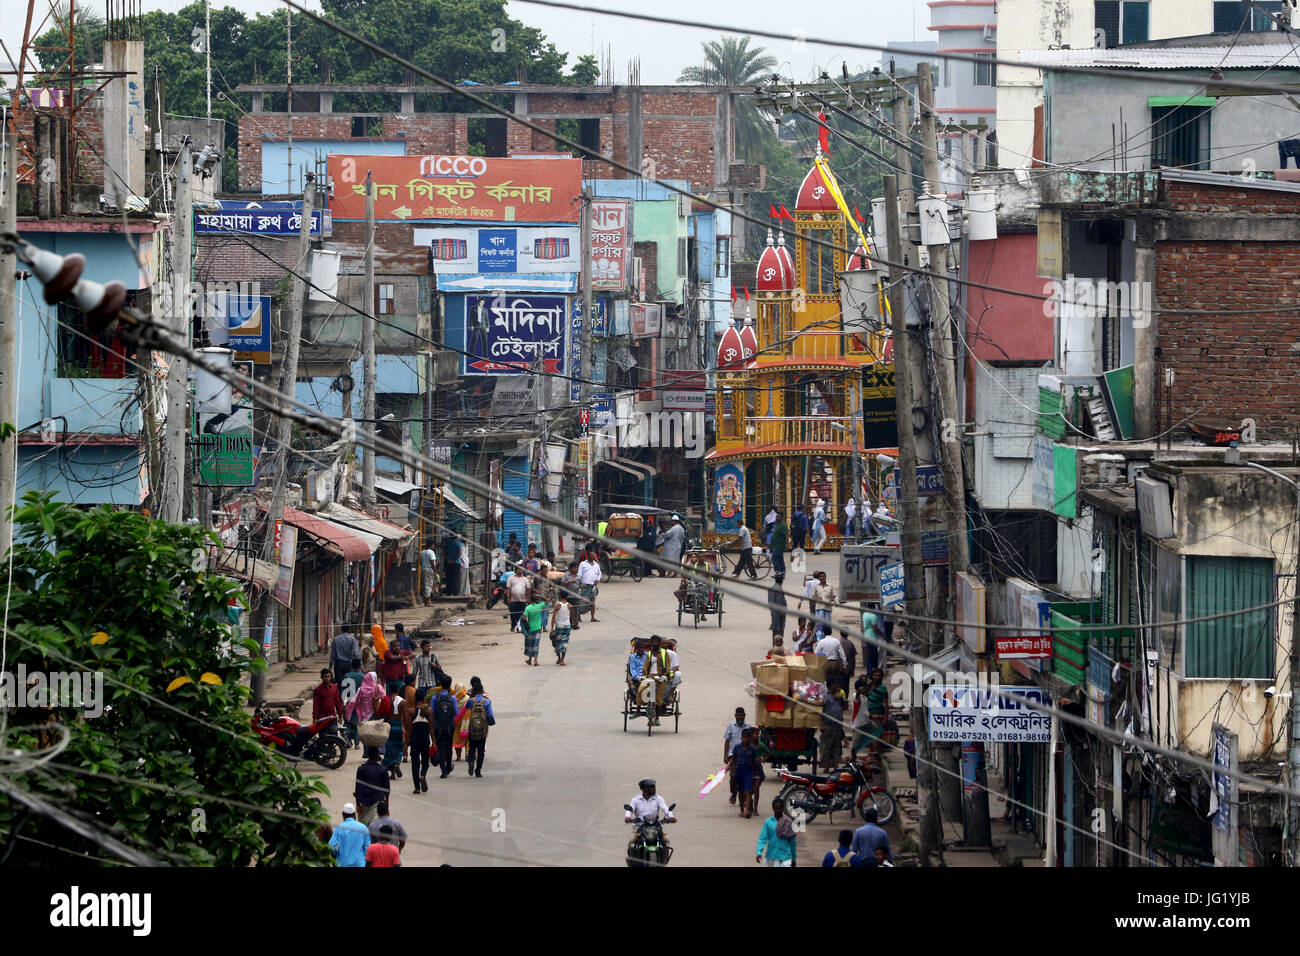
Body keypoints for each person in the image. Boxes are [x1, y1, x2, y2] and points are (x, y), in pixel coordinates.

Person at [624, 778, 676, 861]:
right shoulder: (636, 800)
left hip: (655, 826)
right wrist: (627, 817)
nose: (654, 788)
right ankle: (631, 861)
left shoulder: (658, 799)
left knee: (666, 841)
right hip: (640, 827)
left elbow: (666, 809)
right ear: (644, 789)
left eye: (654, 786)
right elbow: (629, 810)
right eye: (651, 787)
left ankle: (663, 860)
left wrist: (671, 817)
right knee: (632, 843)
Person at [460, 675, 495, 778]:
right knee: (480, 751)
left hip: (472, 728)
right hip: (482, 729)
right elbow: (490, 715)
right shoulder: (486, 701)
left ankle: (471, 761)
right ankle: (478, 770)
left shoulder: (471, 700)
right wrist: (490, 722)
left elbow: (466, 707)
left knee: (471, 748)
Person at [723, 707, 755, 806]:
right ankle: (734, 793)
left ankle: (745, 796)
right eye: (738, 715)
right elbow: (727, 741)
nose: (740, 717)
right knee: (733, 777)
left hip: (746, 756)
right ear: (735, 716)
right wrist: (725, 755)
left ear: (744, 715)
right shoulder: (731, 726)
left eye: (742, 715)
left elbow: (752, 741)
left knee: (745, 777)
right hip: (733, 756)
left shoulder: (748, 726)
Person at [728, 726, 761, 818]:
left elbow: (755, 763)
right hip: (739, 771)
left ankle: (748, 811)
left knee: (748, 792)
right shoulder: (737, 747)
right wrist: (732, 771)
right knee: (741, 792)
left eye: (747, 738)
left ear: (750, 739)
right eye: (743, 737)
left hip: (749, 772)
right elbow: (733, 760)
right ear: (741, 737)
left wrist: (755, 773)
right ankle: (742, 810)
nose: (745, 739)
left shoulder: (753, 749)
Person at [639, 634, 673, 724]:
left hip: (661, 677)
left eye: (656, 642)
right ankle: (640, 709)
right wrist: (643, 673)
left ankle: (657, 718)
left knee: (659, 697)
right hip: (650, 676)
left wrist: (664, 674)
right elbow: (645, 664)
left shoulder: (664, 653)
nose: (654, 644)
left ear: (659, 643)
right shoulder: (649, 654)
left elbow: (668, 664)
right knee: (641, 690)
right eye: (653, 642)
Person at [755, 797, 798, 867]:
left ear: (783, 808)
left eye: (780, 808)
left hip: (785, 857)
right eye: (776, 809)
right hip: (772, 856)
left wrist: (793, 858)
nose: (778, 811)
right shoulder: (768, 822)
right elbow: (762, 839)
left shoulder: (788, 822)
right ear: (773, 809)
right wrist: (759, 852)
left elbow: (792, 841)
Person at [430, 674, 458, 778]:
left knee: (441, 747)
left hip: (438, 726)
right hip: (449, 726)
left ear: (440, 685)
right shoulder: (453, 698)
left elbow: (432, 712)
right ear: (450, 685)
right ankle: (448, 766)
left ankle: (443, 771)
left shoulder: (434, 698)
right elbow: (456, 712)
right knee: (449, 747)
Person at [405, 688, 432, 793]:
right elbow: (431, 728)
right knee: (425, 762)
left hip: (414, 741)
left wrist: (406, 745)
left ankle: (417, 787)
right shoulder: (428, 711)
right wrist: (434, 742)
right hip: (425, 740)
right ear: (424, 698)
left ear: (415, 699)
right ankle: (423, 775)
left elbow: (408, 730)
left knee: (415, 764)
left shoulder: (411, 711)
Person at [376, 679, 405, 779]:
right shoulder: (402, 701)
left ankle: (391, 772)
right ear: (398, 689)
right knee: (399, 748)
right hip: (399, 725)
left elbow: (379, 713)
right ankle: (396, 763)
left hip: (389, 725)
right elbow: (404, 717)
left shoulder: (385, 699)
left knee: (389, 749)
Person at [353, 749, 389, 825]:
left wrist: (358, 804)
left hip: (363, 804)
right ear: (378, 756)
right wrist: (386, 806)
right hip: (377, 803)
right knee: (375, 828)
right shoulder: (382, 769)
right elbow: (387, 790)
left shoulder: (361, 769)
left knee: (364, 829)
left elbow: (358, 788)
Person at [328, 803, 371, 868]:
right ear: (354, 815)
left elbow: (332, 846)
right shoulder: (363, 828)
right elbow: (367, 849)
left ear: (343, 815)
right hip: (359, 864)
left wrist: (335, 857)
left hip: (342, 864)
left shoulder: (338, 828)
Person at [340, 658, 366, 748]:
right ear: (360, 666)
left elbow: (344, 692)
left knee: (347, 722)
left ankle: (348, 740)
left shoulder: (346, 676)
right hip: (359, 704)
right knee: (358, 723)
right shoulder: (363, 677)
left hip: (348, 703)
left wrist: (343, 703)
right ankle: (357, 744)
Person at [820, 684, 845, 768]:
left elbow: (844, 707)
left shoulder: (839, 698)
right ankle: (825, 764)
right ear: (830, 688)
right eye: (836, 687)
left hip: (837, 725)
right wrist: (821, 724)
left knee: (837, 745)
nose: (838, 689)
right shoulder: (826, 697)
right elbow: (821, 711)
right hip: (828, 725)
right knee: (826, 745)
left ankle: (835, 764)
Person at [522, 592, 547, 666]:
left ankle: (530, 660)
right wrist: (540, 596)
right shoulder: (540, 606)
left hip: (530, 628)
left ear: (530, 600)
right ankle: (535, 661)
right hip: (538, 628)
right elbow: (546, 600)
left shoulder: (528, 608)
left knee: (530, 644)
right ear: (537, 600)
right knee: (536, 644)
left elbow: (524, 618)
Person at [578, 551, 602, 622]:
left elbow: (599, 574)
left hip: (593, 586)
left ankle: (592, 617)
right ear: (587, 556)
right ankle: (578, 617)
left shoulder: (596, 564)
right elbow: (579, 575)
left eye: (593, 555)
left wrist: (597, 580)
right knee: (581, 601)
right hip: (584, 586)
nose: (592, 556)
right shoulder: (583, 564)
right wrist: (579, 584)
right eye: (591, 555)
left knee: (593, 601)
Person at [861, 602, 885, 674]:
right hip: (872, 638)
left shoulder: (865, 614)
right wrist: (882, 635)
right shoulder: (873, 616)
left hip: (867, 636)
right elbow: (875, 628)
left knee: (871, 655)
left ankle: (870, 671)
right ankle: (873, 672)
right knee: (874, 656)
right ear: (874, 607)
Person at [506, 565, 531, 633]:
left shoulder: (525, 579)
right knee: (513, 614)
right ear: (516, 570)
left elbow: (528, 588)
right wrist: (508, 598)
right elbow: (508, 588)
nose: (521, 571)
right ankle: (513, 625)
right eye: (520, 569)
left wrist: (527, 597)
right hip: (513, 600)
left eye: (522, 569)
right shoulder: (511, 578)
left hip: (522, 600)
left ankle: (519, 627)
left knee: (522, 614)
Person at [550, 590, 573, 665]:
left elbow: (553, 617)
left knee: (557, 642)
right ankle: (562, 660)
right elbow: (571, 616)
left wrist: (552, 627)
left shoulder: (557, 605)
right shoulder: (570, 606)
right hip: (567, 626)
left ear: (560, 596)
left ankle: (559, 658)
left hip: (559, 626)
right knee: (565, 643)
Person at [768, 573, 788, 639]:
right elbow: (779, 602)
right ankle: (778, 644)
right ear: (782, 581)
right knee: (780, 628)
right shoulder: (779, 589)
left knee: (775, 628)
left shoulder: (772, 588)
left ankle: (775, 644)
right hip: (779, 612)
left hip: (773, 611)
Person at [767, 511, 787, 576]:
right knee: (780, 558)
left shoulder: (783, 525)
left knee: (774, 558)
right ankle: (782, 571)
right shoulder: (777, 524)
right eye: (776, 516)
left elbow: (786, 535)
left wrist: (786, 543)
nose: (776, 517)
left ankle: (777, 571)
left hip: (780, 545)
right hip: (775, 544)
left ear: (782, 517)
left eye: (778, 516)